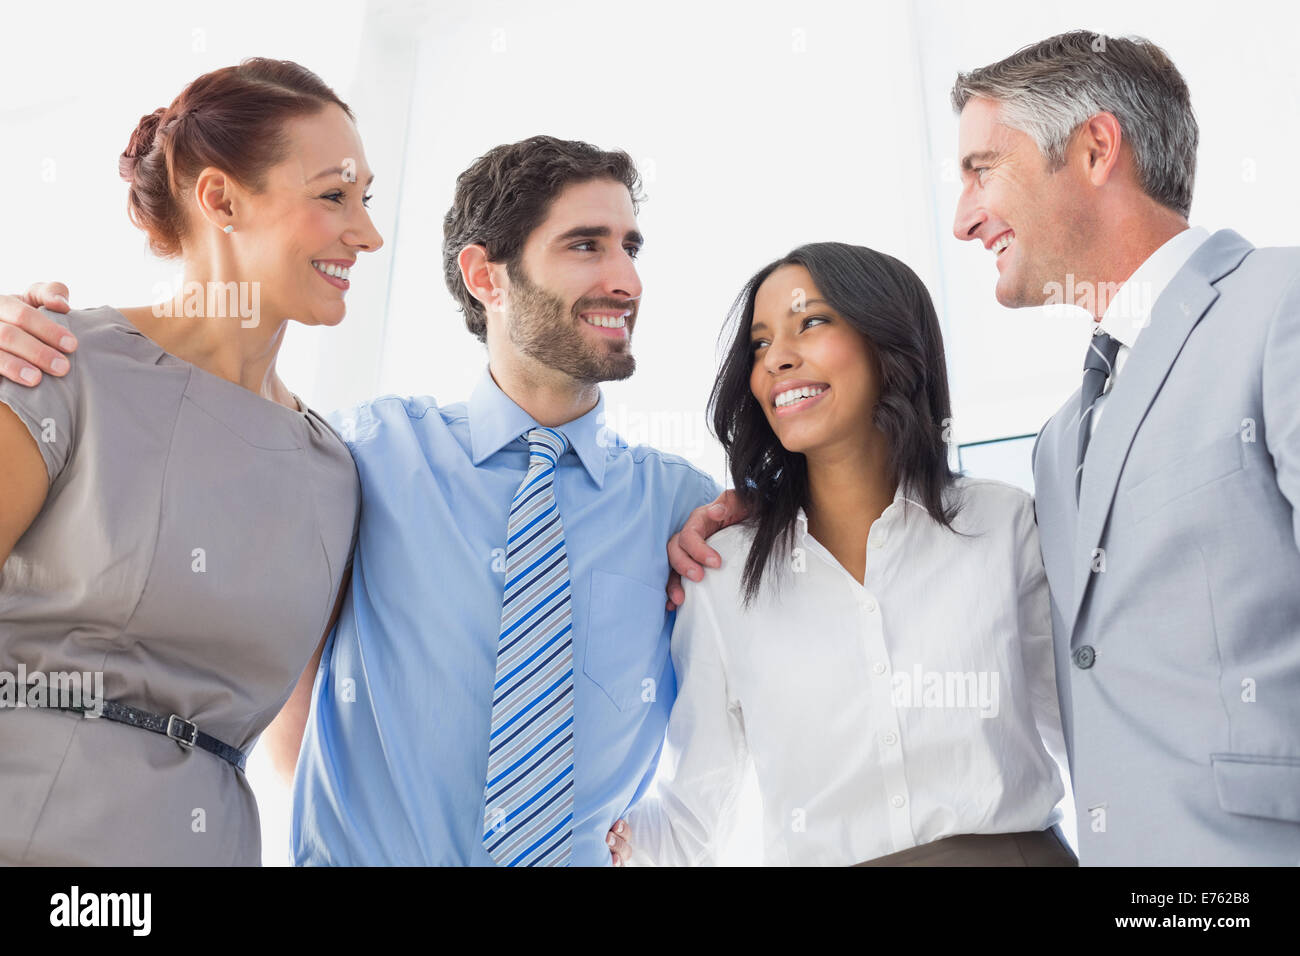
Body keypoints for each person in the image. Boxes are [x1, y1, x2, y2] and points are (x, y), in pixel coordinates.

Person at [3, 136, 719, 867]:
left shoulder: (686, 511)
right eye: (586, 245)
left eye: (630, 246)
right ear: (485, 275)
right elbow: (281, 659)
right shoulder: (359, 456)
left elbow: (737, 719)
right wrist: (26, 331)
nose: (626, 278)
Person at [0, 58, 383, 864]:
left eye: (366, 200)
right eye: (333, 196)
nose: (367, 233)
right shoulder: (58, 364)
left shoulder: (334, 471)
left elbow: (299, 738)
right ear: (219, 199)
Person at [947, 30, 1300, 865]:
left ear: (1096, 148)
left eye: (980, 169)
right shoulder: (1060, 438)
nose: (962, 220)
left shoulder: (1280, 307)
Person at [605, 242, 1074, 866]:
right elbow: (693, 816)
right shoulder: (722, 578)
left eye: (811, 323)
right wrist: (585, 823)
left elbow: (1092, 745)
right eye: (760, 344)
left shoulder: (1005, 525)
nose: (778, 359)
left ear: (889, 343)